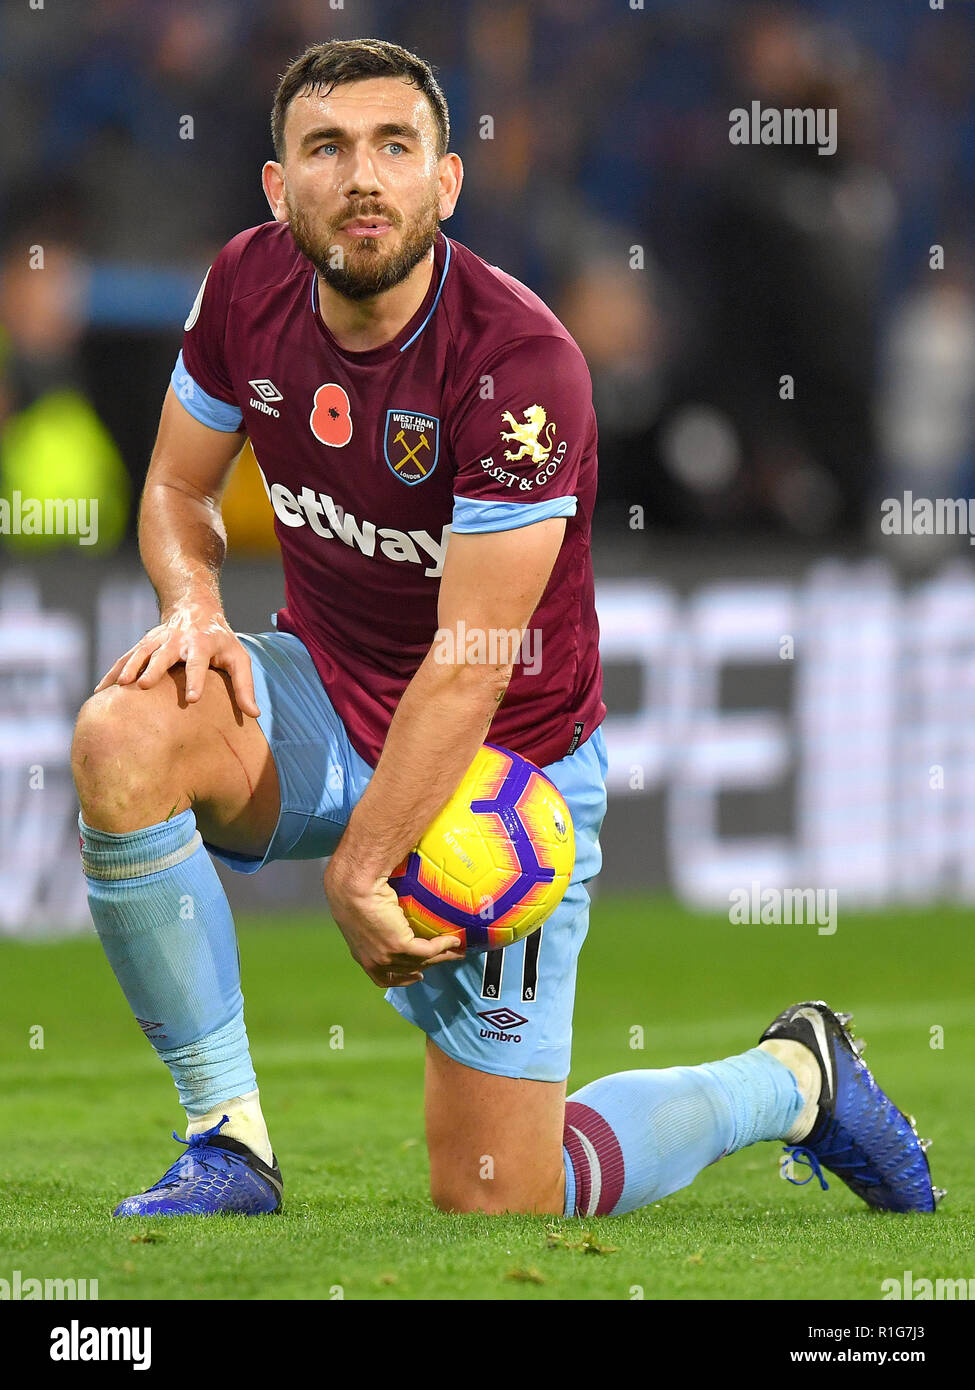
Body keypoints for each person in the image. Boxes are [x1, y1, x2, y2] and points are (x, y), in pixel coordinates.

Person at [71, 38, 940, 1220]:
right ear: (279, 189)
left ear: (447, 181)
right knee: (120, 739)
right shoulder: (244, 284)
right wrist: (192, 604)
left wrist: (361, 864)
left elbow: (473, 664)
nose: (363, 177)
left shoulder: (522, 367)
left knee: (498, 1199)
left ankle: (793, 1077)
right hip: (325, 697)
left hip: (496, 770)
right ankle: (229, 1141)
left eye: (395, 146)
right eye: (326, 148)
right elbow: (174, 493)